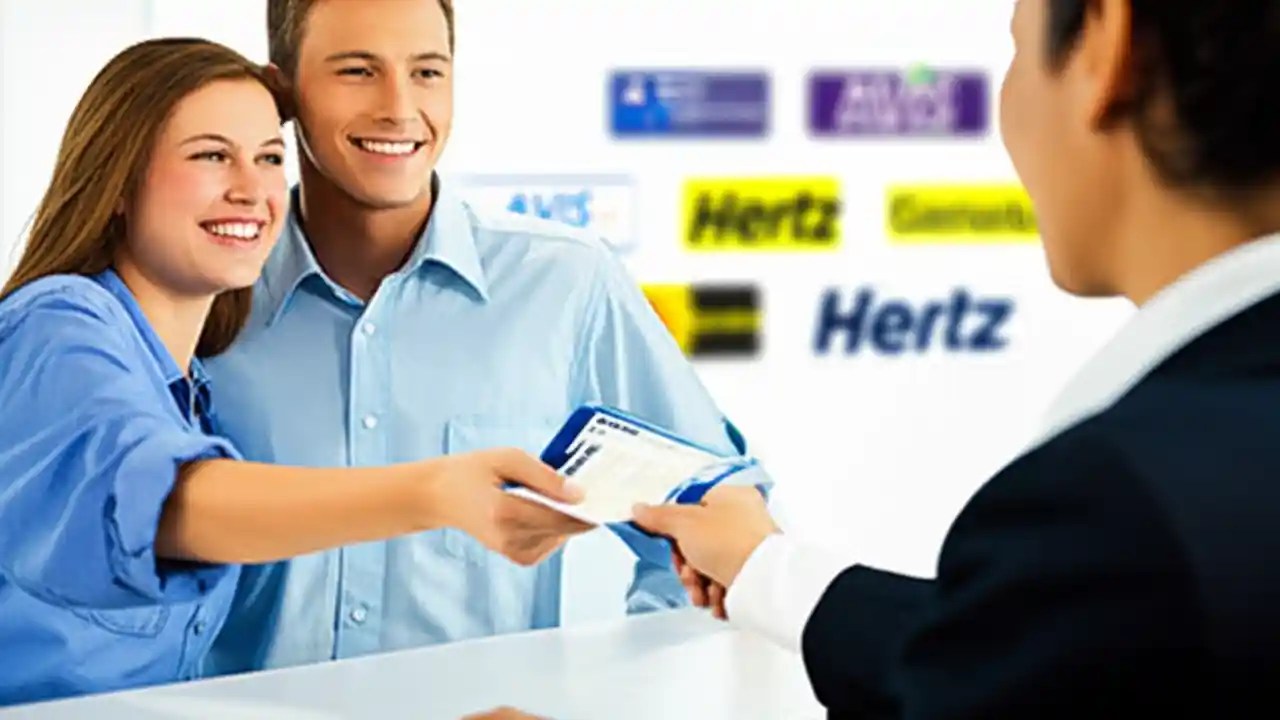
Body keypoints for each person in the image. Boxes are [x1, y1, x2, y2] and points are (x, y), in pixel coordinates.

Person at [633, 0, 1280, 716]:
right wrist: (767, 569)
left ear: (1105, 42)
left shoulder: (1114, 503)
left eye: (1017, 45)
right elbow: (1054, 651)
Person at [0, 37, 589, 707]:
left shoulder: (190, 389)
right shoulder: (56, 324)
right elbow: (159, 504)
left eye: (270, 158)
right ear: (118, 184)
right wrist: (436, 494)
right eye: (212, 156)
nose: (253, 191)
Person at [201, 0, 744, 675]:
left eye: (427, 72)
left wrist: (609, 692)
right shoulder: (201, 290)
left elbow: (719, 521)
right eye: (357, 71)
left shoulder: (564, 283)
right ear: (281, 91)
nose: (399, 107)